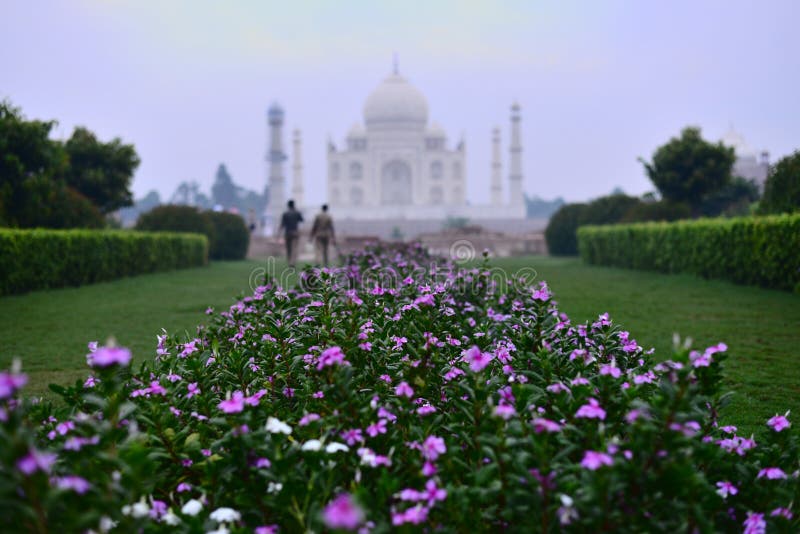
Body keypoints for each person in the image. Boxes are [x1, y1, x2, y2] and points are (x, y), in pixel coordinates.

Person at [278, 199, 303, 267]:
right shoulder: (297, 213)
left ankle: (289, 262)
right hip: (295, 232)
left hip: (287, 233)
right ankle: (292, 262)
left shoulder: (285, 214)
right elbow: (301, 220)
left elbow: (282, 224)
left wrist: (279, 234)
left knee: (288, 248)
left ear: (288, 205)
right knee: (294, 248)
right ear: (294, 205)